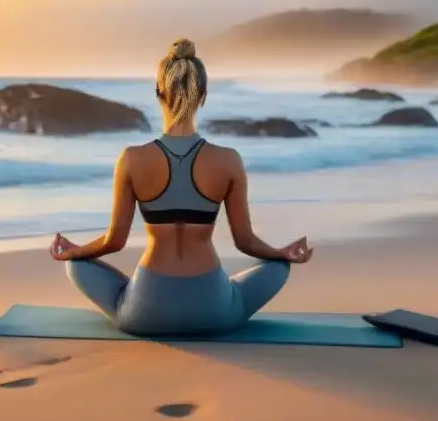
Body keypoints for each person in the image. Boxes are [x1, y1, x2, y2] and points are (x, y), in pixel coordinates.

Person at [50, 38, 313, 336]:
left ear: (158, 92)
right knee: (278, 267)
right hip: (215, 312)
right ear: (203, 96)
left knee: (76, 265)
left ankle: (132, 292)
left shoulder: (131, 159)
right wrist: (282, 253)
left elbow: (114, 241)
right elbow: (246, 242)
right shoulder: (228, 160)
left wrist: (76, 250)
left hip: (145, 314)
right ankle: (227, 291)